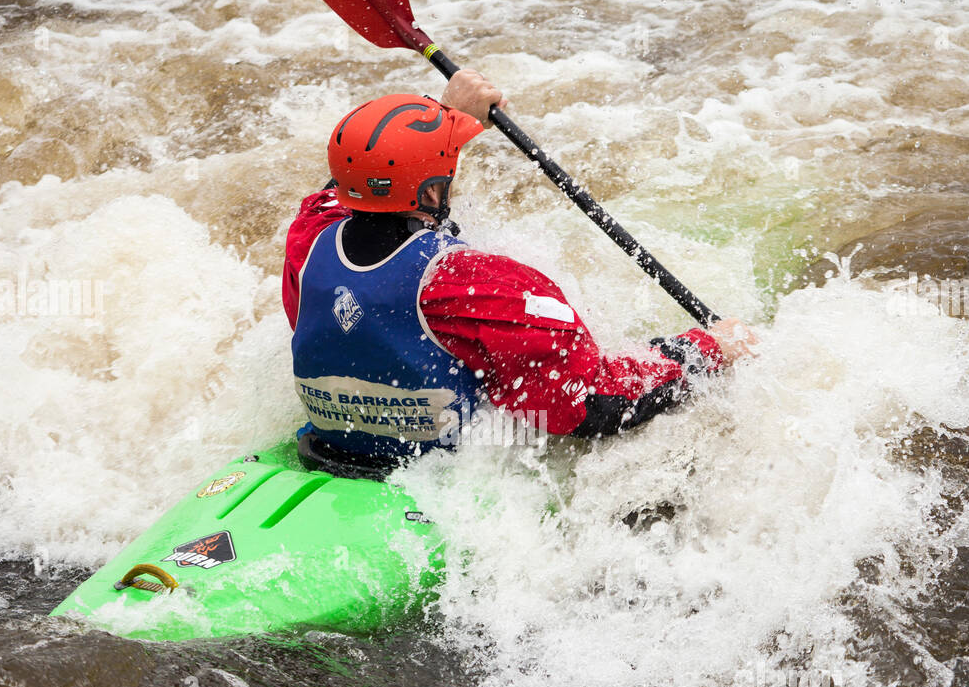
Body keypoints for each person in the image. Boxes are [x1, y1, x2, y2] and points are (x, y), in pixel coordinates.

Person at [283, 69, 756, 477]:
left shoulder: (308, 241)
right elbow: (588, 401)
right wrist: (708, 348)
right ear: (431, 194)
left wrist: (451, 113)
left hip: (327, 451)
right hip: (434, 477)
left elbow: (354, 180)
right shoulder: (475, 285)